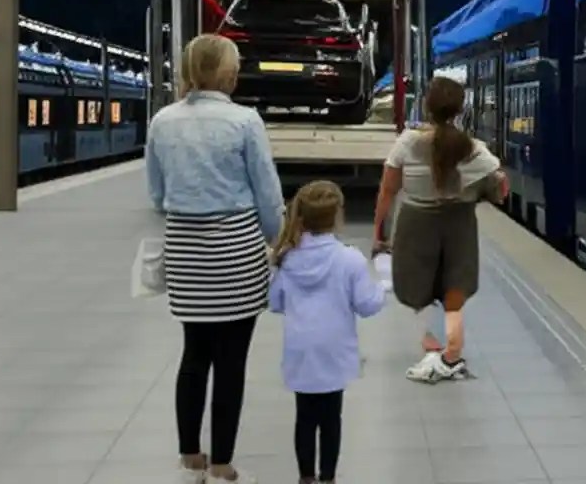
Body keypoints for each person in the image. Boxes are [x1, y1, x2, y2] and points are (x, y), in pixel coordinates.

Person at [147, 33, 284, 484]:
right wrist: (278, 243)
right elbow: (267, 194)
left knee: (194, 355)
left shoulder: (162, 121)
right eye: (236, 64)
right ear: (225, 72)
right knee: (231, 362)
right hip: (237, 251)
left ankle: (190, 456)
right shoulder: (245, 120)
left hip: (185, 248)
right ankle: (222, 461)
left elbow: (156, 192)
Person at [372, 76, 507, 383]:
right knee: (454, 294)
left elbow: (387, 190)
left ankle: (440, 352)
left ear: (426, 106)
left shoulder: (408, 142)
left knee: (421, 289)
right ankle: (450, 355)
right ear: (460, 110)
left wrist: (379, 230)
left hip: (416, 224)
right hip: (459, 224)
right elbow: (499, 186)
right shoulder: (473, 148)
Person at [270, 181, 386, 484]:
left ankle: (305, 477)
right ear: (337, 216)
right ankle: (328, 478)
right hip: (334, 352)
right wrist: (383, 287)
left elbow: (275, 302)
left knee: (304, 418)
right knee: (331, 418)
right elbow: (367, 305)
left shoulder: (288, 258)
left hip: (300, 351)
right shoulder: (349, 259)